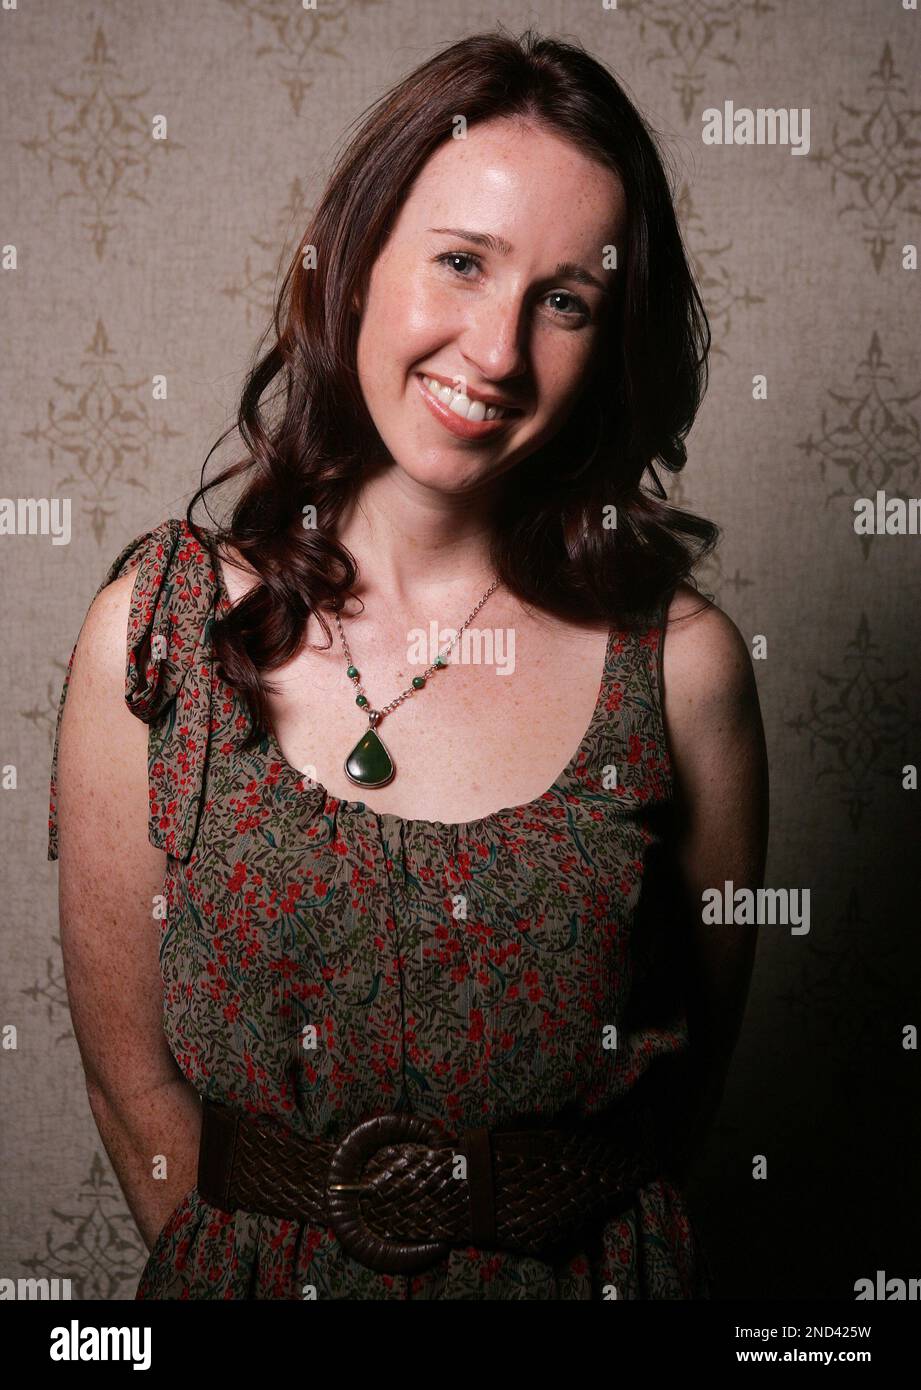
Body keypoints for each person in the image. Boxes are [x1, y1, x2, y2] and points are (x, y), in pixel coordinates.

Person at [47, 28, 768, 1299]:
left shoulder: (682, 668)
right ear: (359, 262)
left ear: (611, 343)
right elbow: (129, 1078)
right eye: (459, 262)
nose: (496, 352)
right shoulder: (156, 635)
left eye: (565, 300)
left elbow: (683, 1095)